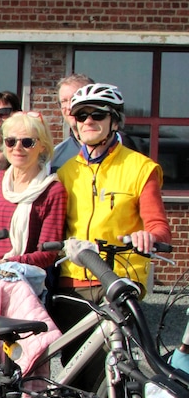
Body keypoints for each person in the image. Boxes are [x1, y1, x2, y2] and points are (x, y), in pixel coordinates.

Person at [53, 83, 169, 329]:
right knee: (76, 363)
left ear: (114, 121)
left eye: (97, 115)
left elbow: (159, 227)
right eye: (81, 115)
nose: (88, 121)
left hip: (119, 278)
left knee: (116, 358)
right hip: (73, 280)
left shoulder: (140, 167)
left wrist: (147, 236)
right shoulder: (65, 173)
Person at [0, 112, 66, 278]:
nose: (17, 148)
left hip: (26, 281)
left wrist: (3, 264)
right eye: (10, 141)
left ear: (42, 146)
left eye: (27, 142)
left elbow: (48, 254)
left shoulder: (53, 190)